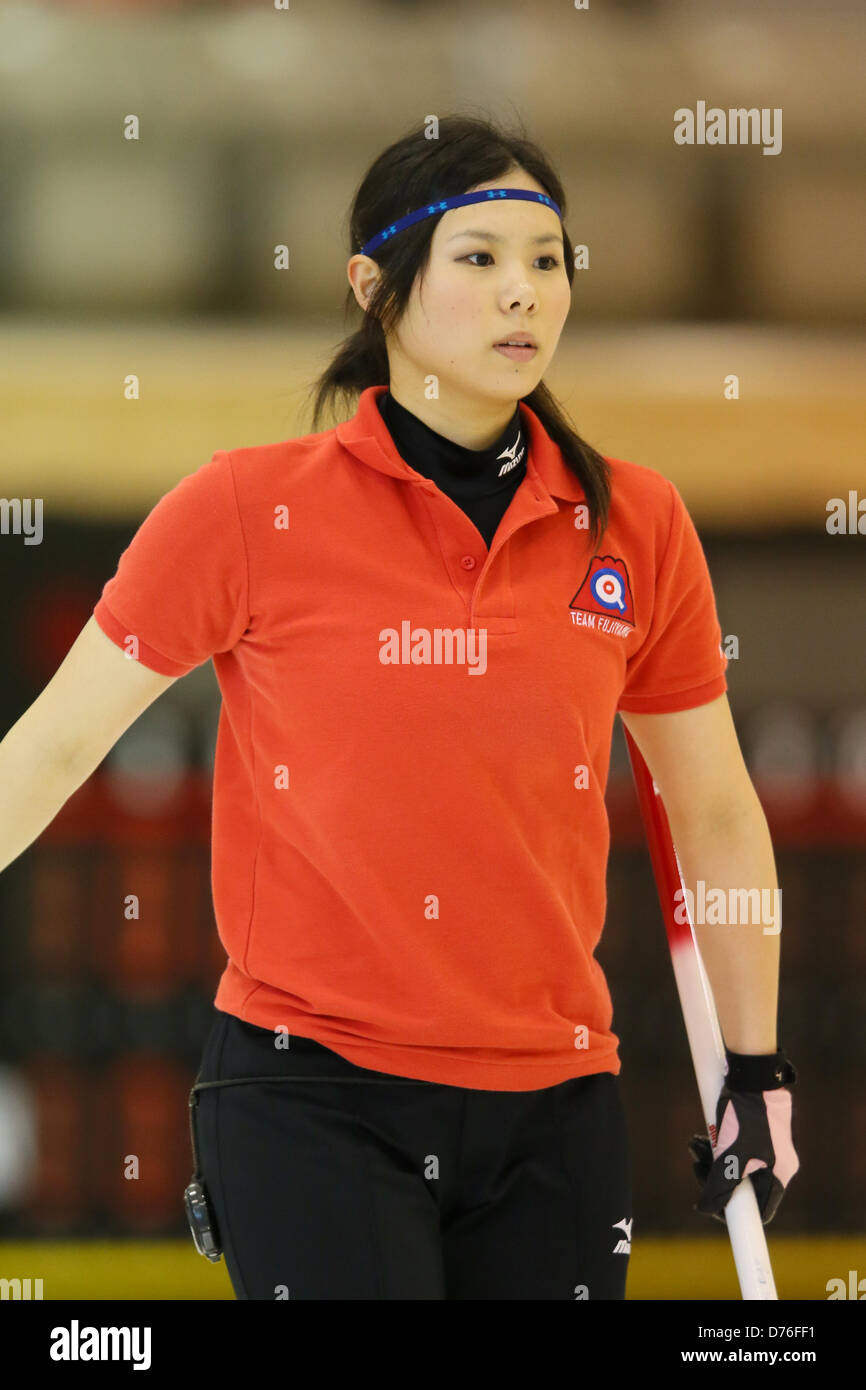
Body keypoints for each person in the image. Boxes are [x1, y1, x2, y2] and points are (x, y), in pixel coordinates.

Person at [0, 113, 798, 1300]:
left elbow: (717, 812)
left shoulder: (636, 523)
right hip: (309, 1093)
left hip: (556, 1102)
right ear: (373, 287)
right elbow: (54, 744)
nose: (521, 292)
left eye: (545, 259)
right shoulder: (243, 509)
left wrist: (757, 1067)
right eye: (477, 258)